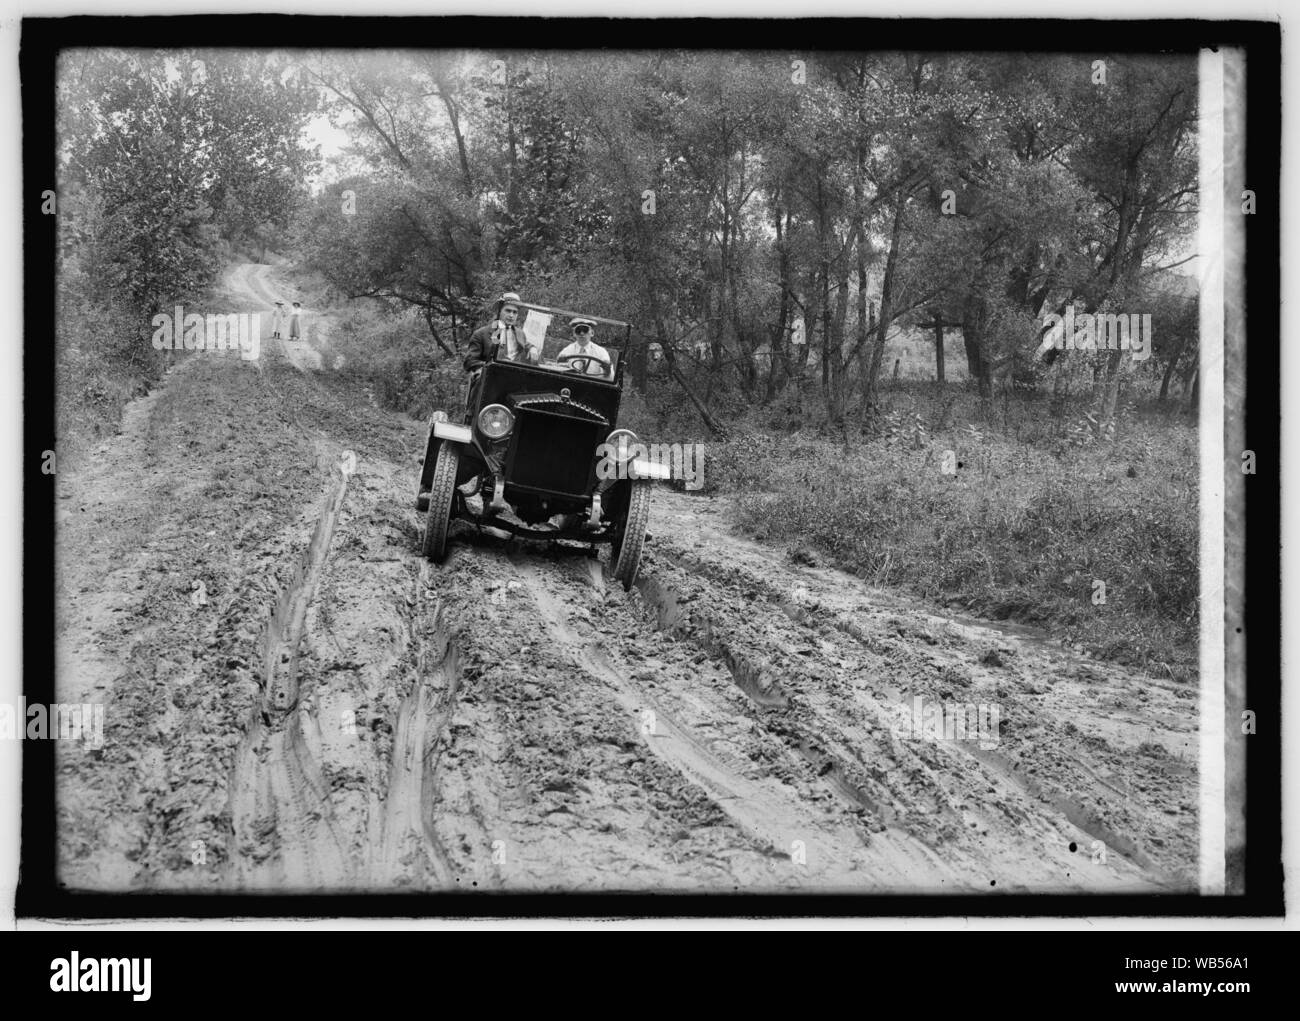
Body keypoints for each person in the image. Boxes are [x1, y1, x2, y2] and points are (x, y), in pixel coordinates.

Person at [463, 292, 540, 371]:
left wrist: (533, 348)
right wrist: (494, 366)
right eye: (508, 311)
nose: (511, 315)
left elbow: (526, 345)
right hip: (491, 378)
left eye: (514, 312)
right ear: (499, 311)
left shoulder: (520, 333)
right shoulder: (481, 334)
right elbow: (469, 362)